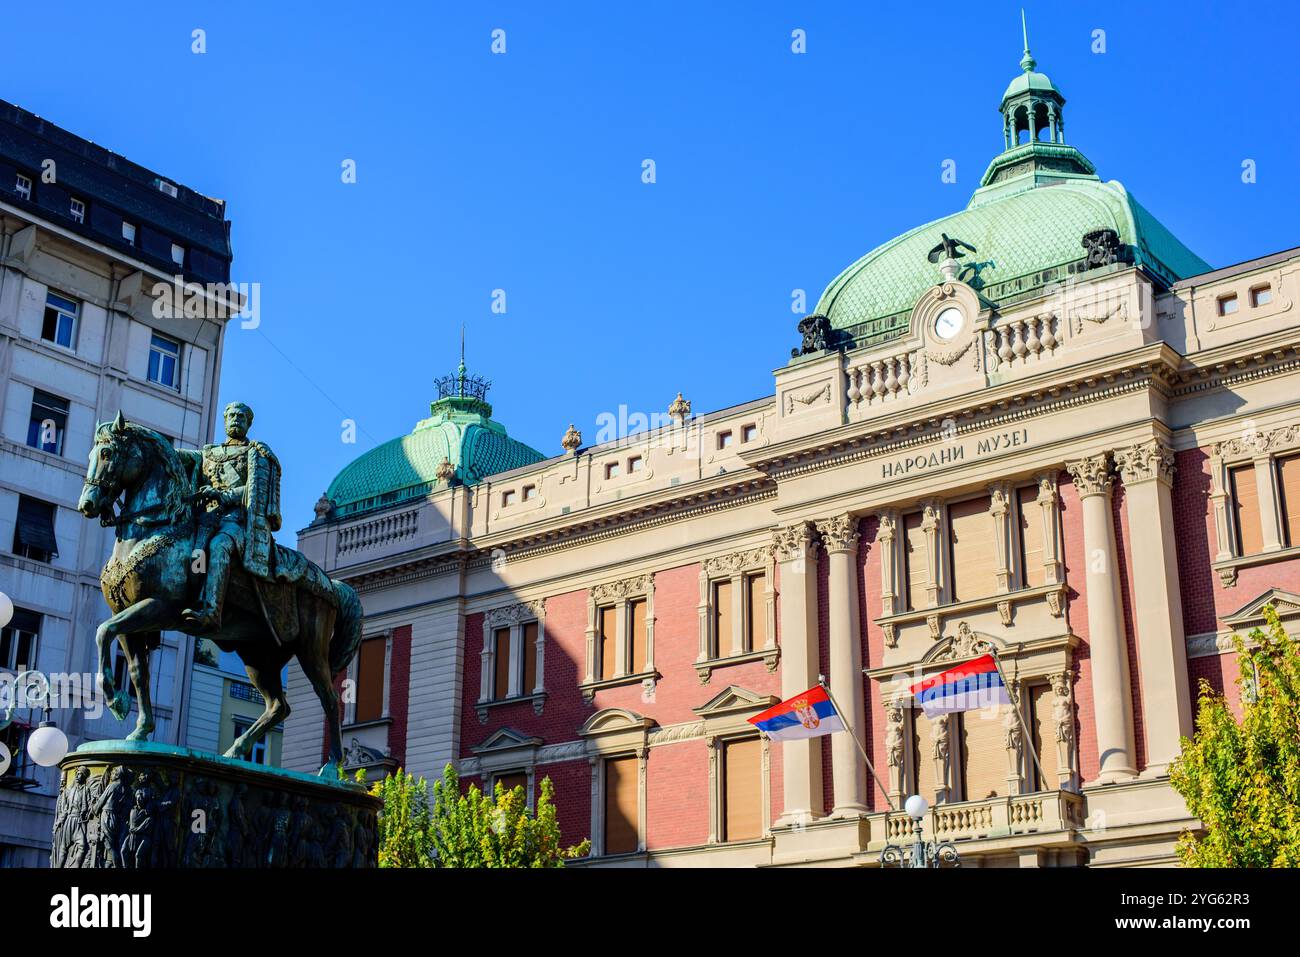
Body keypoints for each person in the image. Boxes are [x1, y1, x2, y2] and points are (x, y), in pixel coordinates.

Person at [180, 402, 281, 634]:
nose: (236, 419)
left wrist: (222, 494)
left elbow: (254, 490)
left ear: (248, 423)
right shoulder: (209, 452)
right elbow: (181, 456)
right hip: (206, 519)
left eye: (241, 417)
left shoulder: (255, 454)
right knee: (191, 551)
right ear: (225, 420)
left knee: (218, 547)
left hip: (236, 520)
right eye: (232, 415)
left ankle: (212, 611)